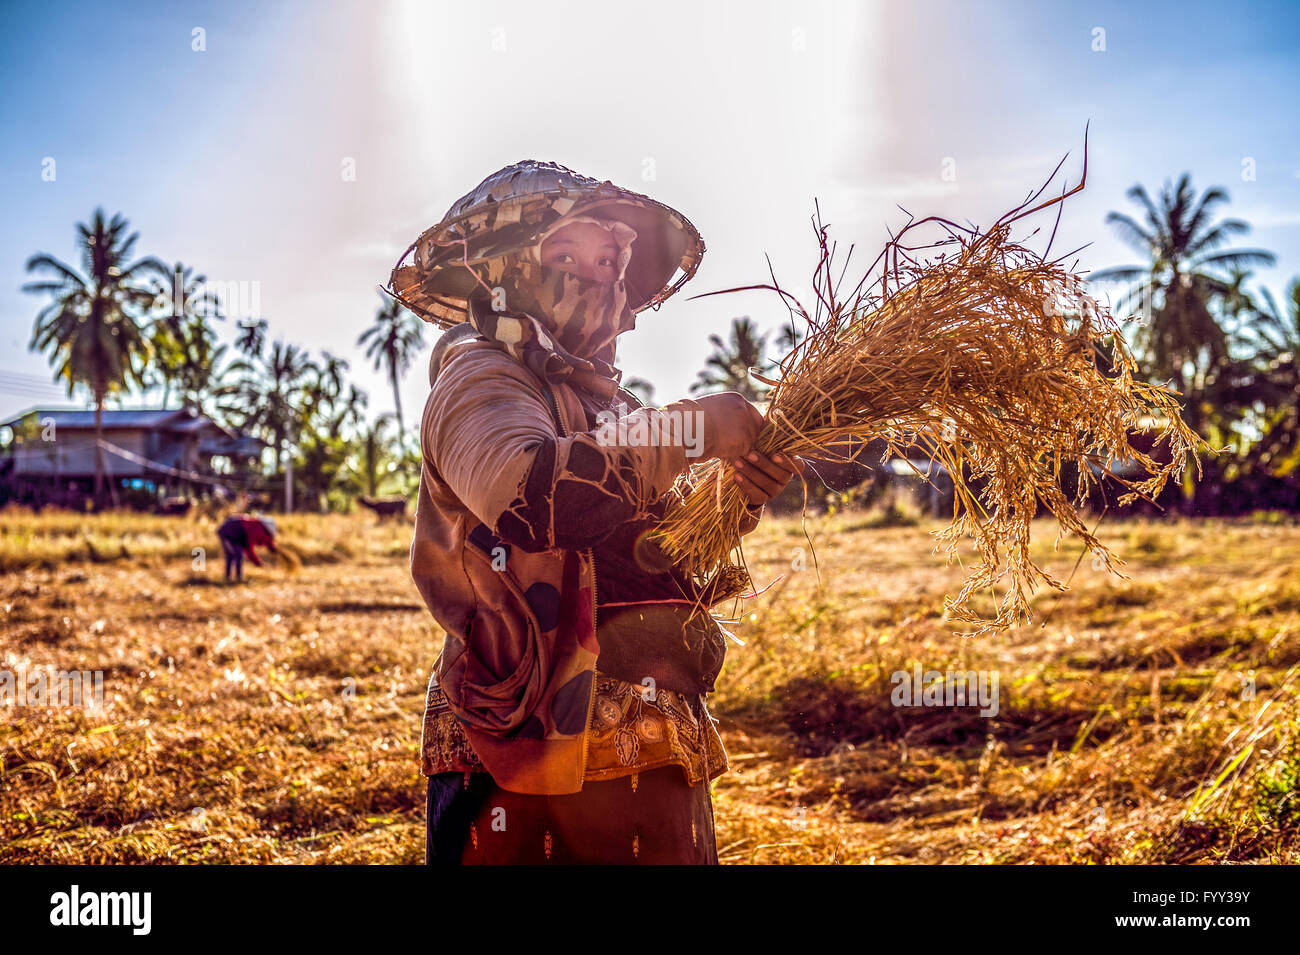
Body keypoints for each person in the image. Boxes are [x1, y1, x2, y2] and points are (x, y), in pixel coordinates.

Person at [390, 160, 797, 864]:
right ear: (507, 269)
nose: (595, 275)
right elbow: (533, 500)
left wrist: (736, 499)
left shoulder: (613, 406)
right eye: (566, 256)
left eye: (609, 258)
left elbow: (661, 559)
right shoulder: (481, 376)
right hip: (523, 762)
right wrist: (692, 428)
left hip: (645, 745)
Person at [216, 513, 278, 582]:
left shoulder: (260, 528)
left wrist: (272, 548)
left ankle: (229, 577)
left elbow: (267, 540)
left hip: (228, 532)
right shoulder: (258, 529)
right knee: (237, 554)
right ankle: (238, 577)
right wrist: (257, 562)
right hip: (228, 534)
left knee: (232, 555)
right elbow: (248, 549)